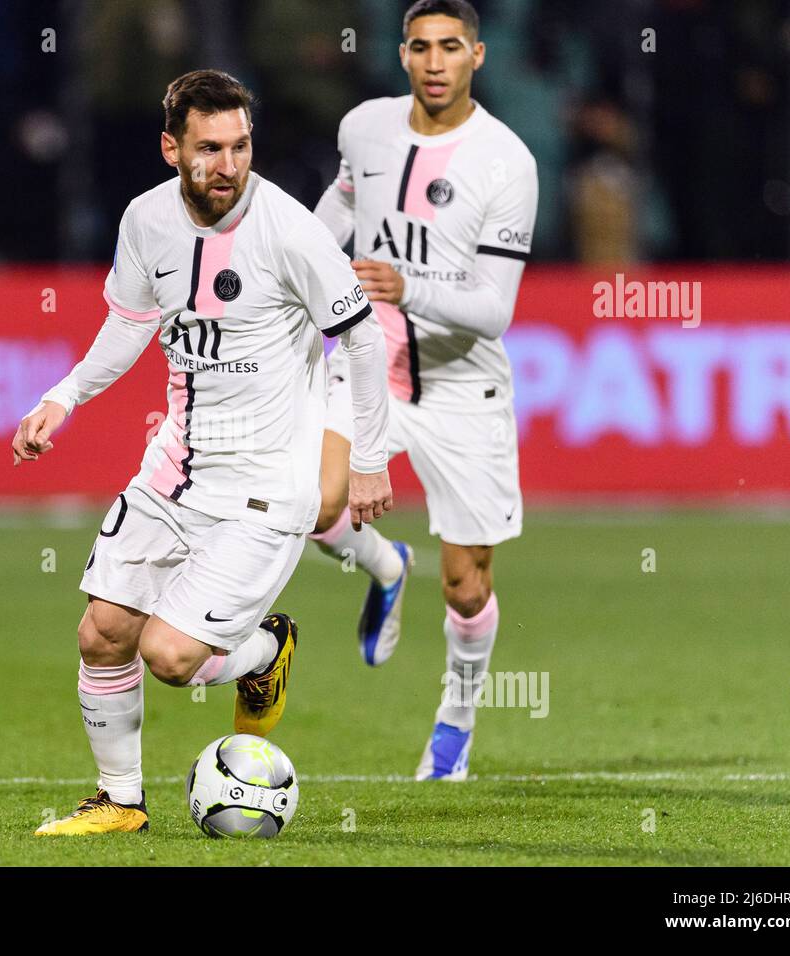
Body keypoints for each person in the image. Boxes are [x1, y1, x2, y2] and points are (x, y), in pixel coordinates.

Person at [12, 70, 393, 834]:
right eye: (210, 148)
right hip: (176, 466)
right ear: (170, 148)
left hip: (264, 483)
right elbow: (129, 326)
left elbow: (360, 334)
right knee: (102, 632)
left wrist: (369, 457)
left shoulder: (288, 230)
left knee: (170, 655)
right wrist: (63, 397)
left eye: (241, 146)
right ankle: (120, 803)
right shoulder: (145, 221)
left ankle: (261, 653)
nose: (229, 165)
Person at [309, 0, 539, 780]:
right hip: (369, 364)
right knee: (313, 504)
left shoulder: (508, 162)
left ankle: (456, 722)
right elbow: (341, 204)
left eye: (450, 47)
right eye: (419, 47)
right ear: (401, 54)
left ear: (478, 54)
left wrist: (407, 287)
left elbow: (493, 310)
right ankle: (383, 565)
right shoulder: (364, 127)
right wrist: (301, 272)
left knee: (467, 588)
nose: (434, 62)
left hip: (460, 388)